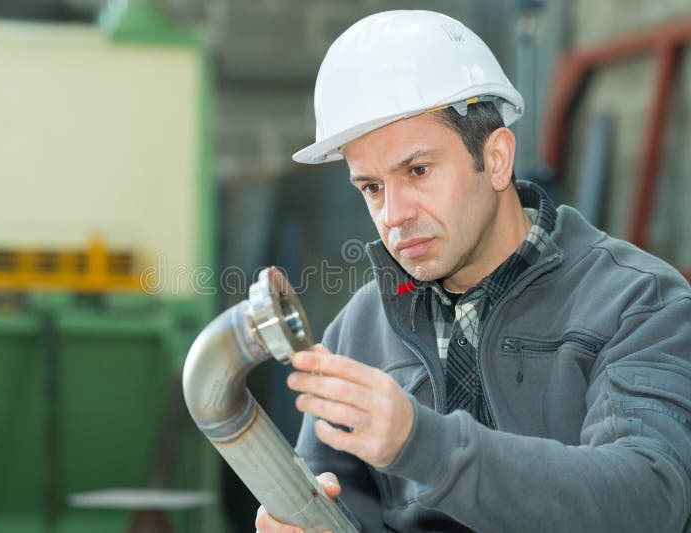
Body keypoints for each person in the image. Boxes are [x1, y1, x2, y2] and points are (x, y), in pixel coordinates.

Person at [254, 9, 691, 533]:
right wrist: (307, 521)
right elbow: (335, 499)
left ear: (498, 158)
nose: (393, 215)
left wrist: (423, 445)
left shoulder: (638, 302)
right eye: (371, 187)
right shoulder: (359, 328)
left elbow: (648, 499)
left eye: (418, 171)